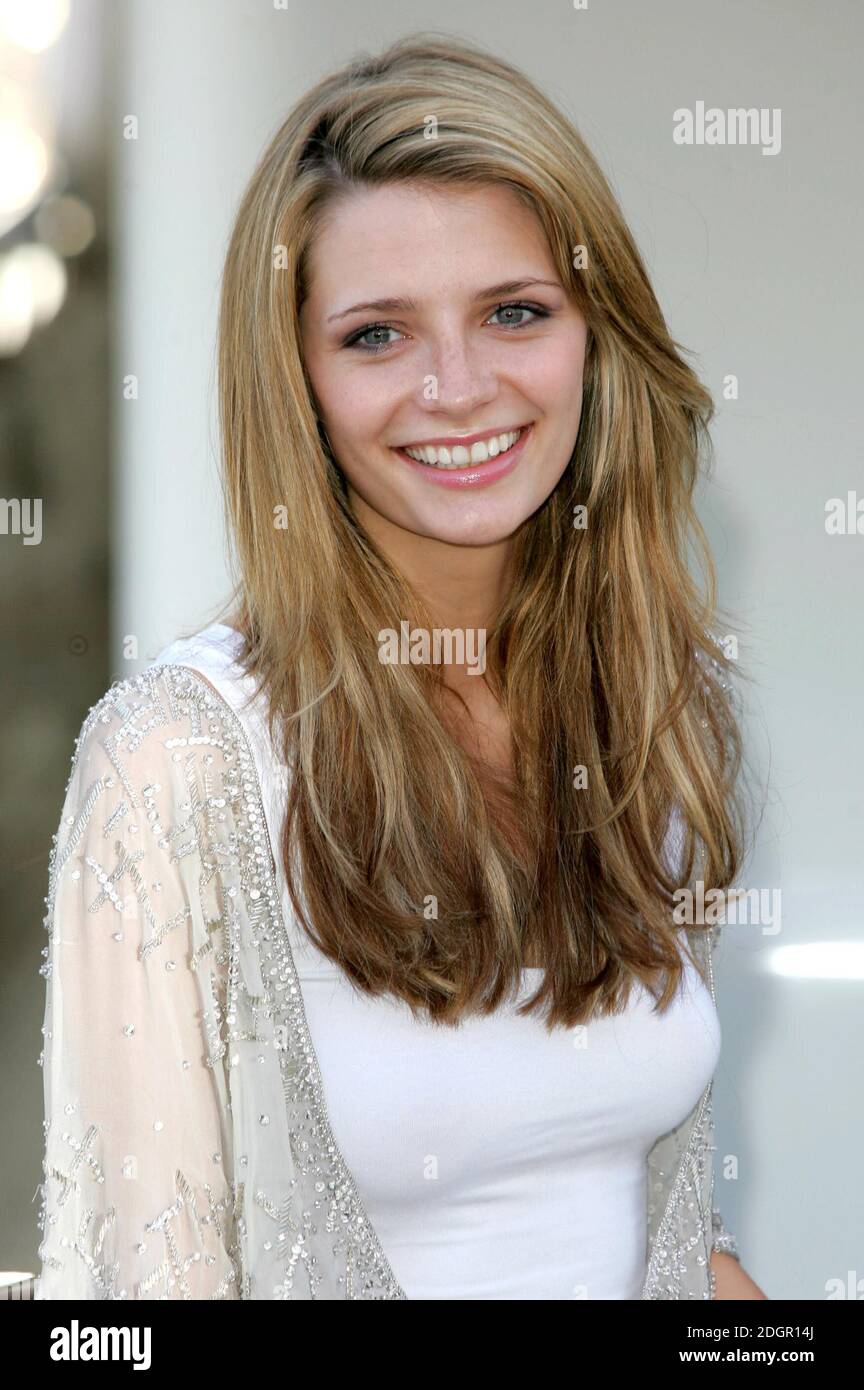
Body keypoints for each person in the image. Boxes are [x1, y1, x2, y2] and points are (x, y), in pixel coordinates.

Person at [35, 32, 766, 1300]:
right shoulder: (178, 762)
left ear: (597, 336)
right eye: (377, 335)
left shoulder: (650, 707)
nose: (459, 386)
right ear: (298, 384)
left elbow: (645, 1237)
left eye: (514, 312)